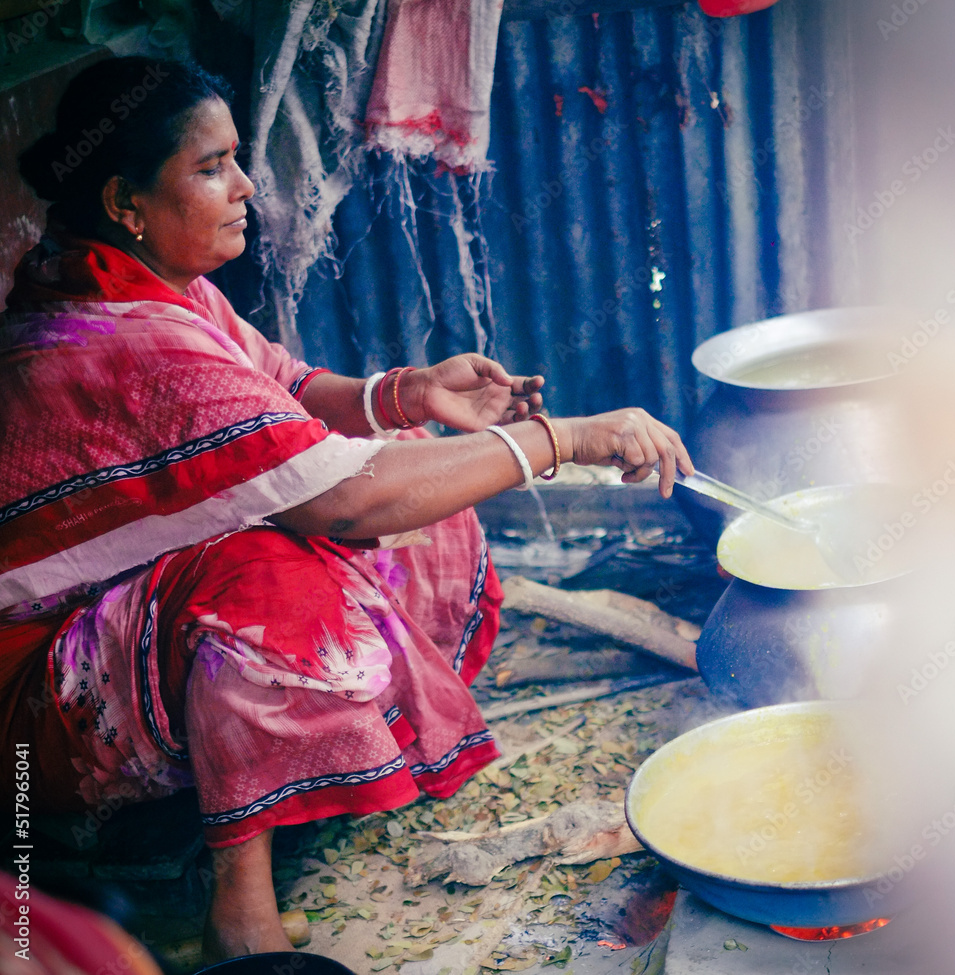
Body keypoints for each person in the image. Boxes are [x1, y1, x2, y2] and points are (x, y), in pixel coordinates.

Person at [0, 57, 692, 961]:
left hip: (107, 629)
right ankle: (237, 907)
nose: (247, 187)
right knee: (271, 579)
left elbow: (280, 388)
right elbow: (341, 496)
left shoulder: (146, 282)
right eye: (211, 169)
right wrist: (567, 440)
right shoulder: (120, 337)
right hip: (33, 712)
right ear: (128, 203)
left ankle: (317, 766)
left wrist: (412, 393)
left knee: (419, 480)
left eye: (237, 158)